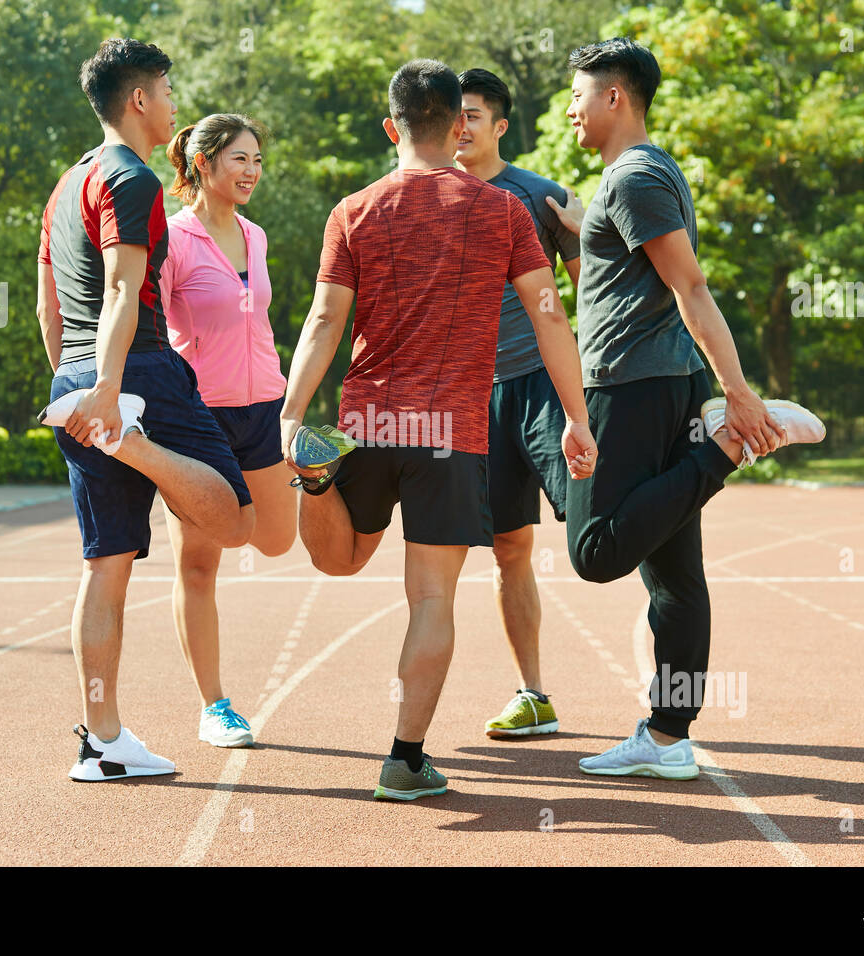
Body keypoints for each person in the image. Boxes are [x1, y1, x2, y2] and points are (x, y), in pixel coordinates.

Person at [278, 59, 597, 801]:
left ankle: (314, 475)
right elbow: (551, 315)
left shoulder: (353, 210)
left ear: (391, 128)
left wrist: (292, 413)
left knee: (339, 561)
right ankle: (405, 758)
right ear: (459, 127)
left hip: (372, 416)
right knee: (431, 599)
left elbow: (325, 319)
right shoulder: (501, 211)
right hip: (450, 431)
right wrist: (577, 418)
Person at [549, 37, 825, 779]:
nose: (570, 109)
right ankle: (670, 740)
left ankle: (726, 447)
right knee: (674, 581)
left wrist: (739, 396)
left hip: (631, 385)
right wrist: (584, 226)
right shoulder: (636, 176)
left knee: (596, 551)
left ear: (615, 97)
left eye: (578, 95)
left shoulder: (635, 177)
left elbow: (689, 287)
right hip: (657, 383)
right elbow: (638, 265)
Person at [35, 38, 255, 781]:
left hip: (75, 382)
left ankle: (102, 741)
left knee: (107, 562)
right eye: (166, 91)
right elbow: (127, 291)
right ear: (139, 100)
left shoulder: (67, 185)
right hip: (137, 373)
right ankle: (132, 444)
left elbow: (48, 305)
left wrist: (71, 384)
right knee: (232, 517)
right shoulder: (131, 178)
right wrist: (107, 393)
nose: (172, 105)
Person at [455, 68, 582, 740]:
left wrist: (588, 236)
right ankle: (534, 693)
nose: (462, 126)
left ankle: (666, 696)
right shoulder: (428, 196)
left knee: (605, 518)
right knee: (507, 547)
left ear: (500, 125)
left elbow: (594, 290)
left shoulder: (540, 195)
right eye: (453, 114)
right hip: (472, 396)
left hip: (541, 385)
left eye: (474, 115)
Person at [158, 114, 292, 748]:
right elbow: (148, 326)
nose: (252, 171)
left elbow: (259, 322)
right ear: (204, 164)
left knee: (276, 540)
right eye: (240, 159)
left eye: (258, 160)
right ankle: (215, 705)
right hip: (197, 417)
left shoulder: (256, 235)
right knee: (199, 566)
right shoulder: (174, 240)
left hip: (263, 404)